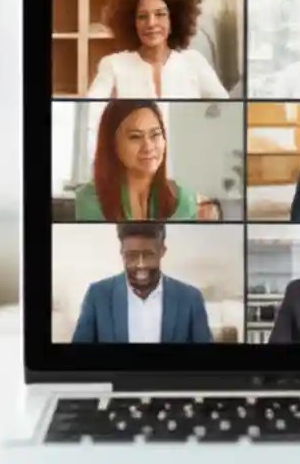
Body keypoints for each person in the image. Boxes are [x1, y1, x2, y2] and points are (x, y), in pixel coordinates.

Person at [85, 0, 230, 99]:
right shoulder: (113, 65)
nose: (151, 23)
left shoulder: (194, 62)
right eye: (142, 16)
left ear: (173, 20)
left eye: (160, 14)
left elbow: (225, 109)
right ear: (132, 23)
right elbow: (90, 114)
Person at [73, 99, 217, 221]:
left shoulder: (183, 199)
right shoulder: (90, 200)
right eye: (135, 137)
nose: (148, 147)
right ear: (112, 144)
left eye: (155, 135)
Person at [70, 223, 213, 343]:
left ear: (162, 251)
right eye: (131, 256)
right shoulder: (97, 295)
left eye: (148, 255)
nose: (140, 265)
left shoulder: (190, 299)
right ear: (121, 251)